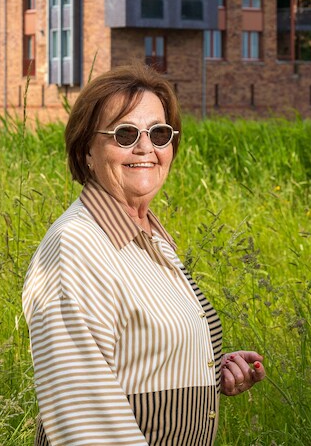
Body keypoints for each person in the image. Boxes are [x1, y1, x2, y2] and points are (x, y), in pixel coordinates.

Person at [22, 64, 265, 445]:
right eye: (125, 134)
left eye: (159, 133)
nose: (145, 148)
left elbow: (134, 358)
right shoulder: (76, 247)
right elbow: (85, 418)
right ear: (87, 148)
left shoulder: (148, 235)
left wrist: (207, 368)